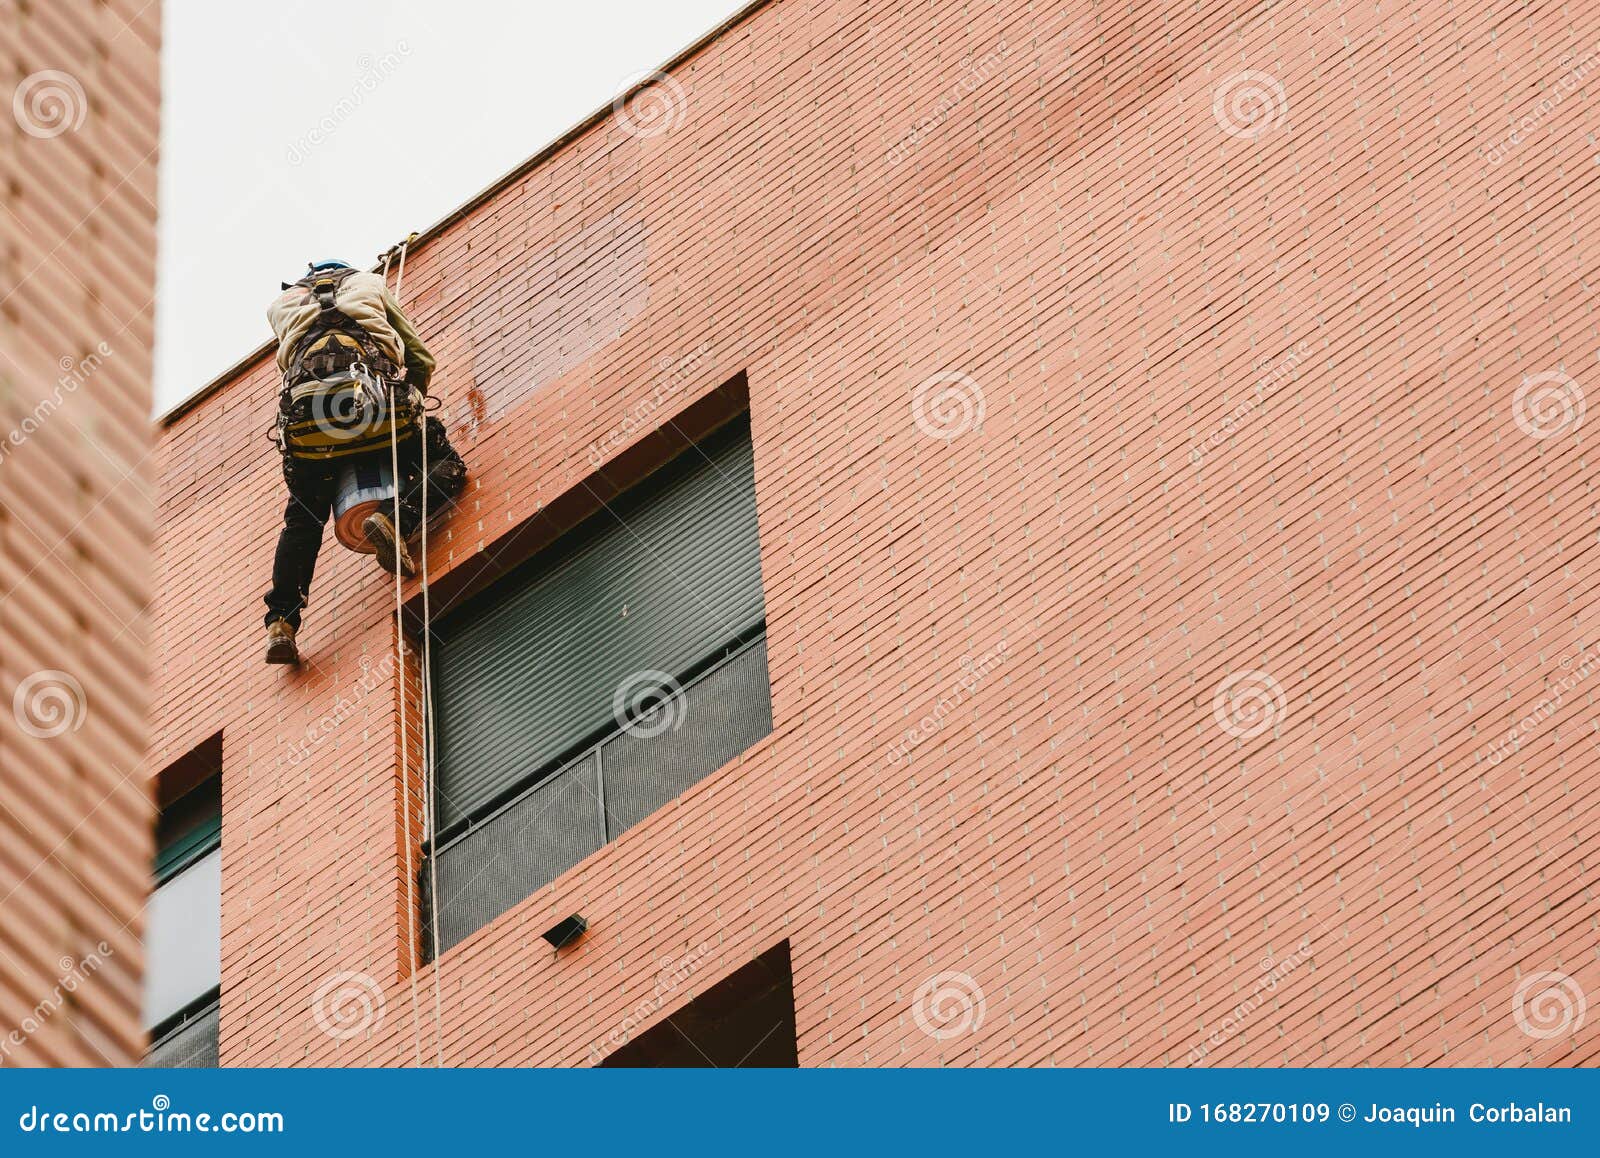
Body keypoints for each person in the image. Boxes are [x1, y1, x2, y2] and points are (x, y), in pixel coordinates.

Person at [261, 259, 466, 665]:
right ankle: (396, 518)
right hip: (378, 411)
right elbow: (421, 358)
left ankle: (281, 623)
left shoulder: (280, 305)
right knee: (446, 465)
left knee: (302, 520)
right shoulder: (371, 285)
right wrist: (413, 402)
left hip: (313, 431)